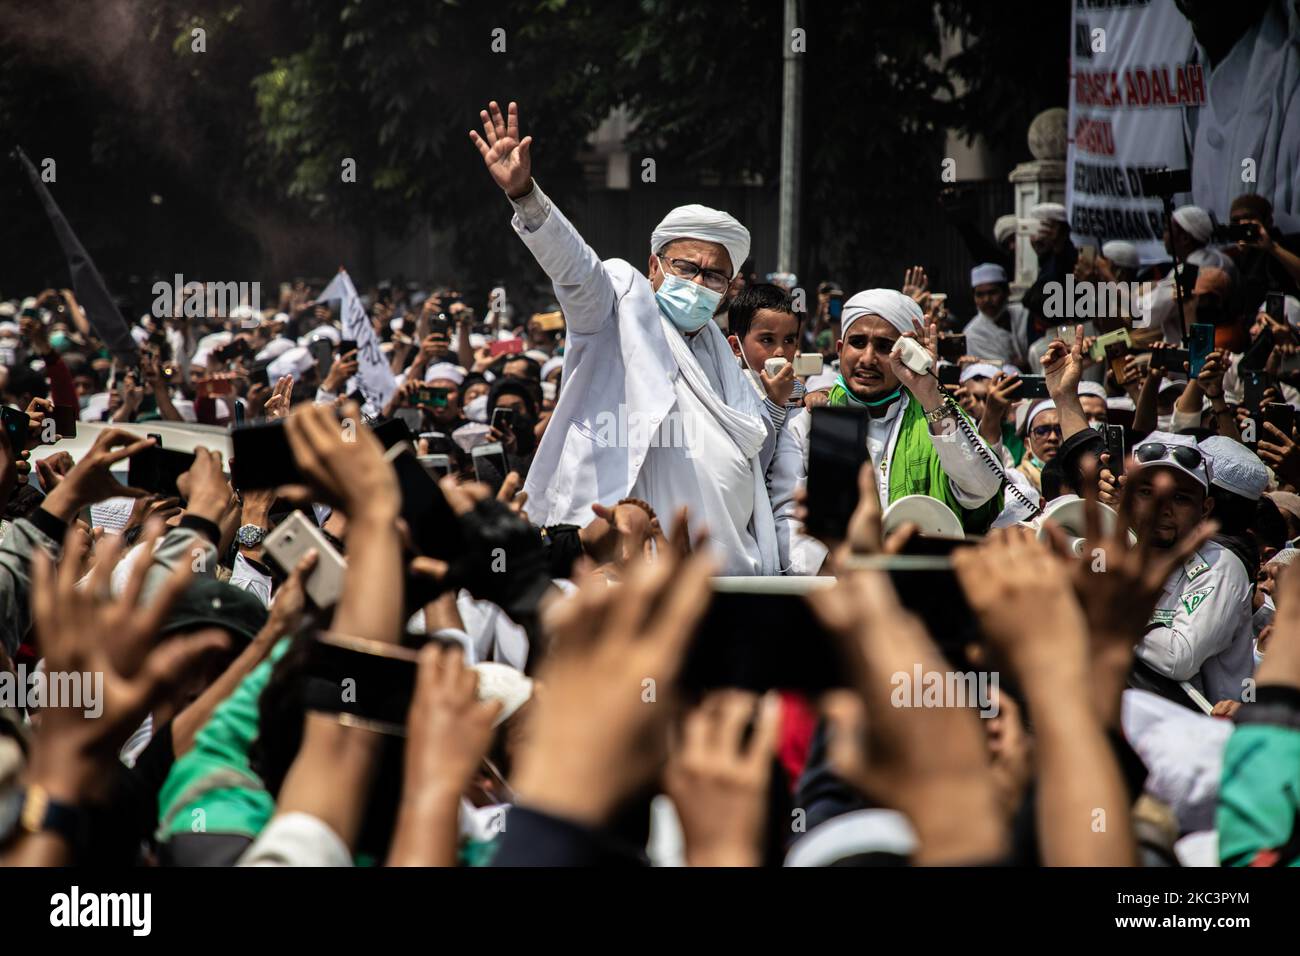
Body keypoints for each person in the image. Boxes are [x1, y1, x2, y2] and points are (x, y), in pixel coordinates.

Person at [470, 100, 780, 574]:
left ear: (729, 288)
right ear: (654, 266)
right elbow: (576, 271)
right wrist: (526, 195)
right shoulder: (618, 309)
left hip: (724, 583)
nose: (698, 283)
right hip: (625, 572)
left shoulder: (724, 364)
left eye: (714, 277)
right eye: (686, 267)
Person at [790, 289, 1003, 532]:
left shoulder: (938, 413)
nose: (868, 359)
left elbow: (981, 488)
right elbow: (788, 519)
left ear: (907, 356)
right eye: (858, 343)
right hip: (838, 568)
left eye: (884, 347)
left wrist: (929, 396)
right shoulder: (809, 421)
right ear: (840, 349)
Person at [962, 264, 1031, 371]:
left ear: (1007, 292)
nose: (986, 300)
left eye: (992, 292)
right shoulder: (972, 333)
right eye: (980, 295)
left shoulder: (1024, 313)